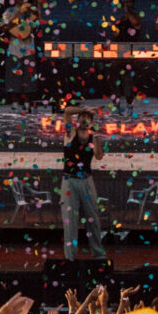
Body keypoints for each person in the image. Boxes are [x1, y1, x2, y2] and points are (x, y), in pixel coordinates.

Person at [58, 108, 106, 263]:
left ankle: (99, 255)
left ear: (91, 122)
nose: (85, 120)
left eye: (88, 118)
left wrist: (97, 135)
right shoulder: (70, 133)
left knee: (93, 218)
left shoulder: (93, 137)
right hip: (69, 180)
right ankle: (70, 258)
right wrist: (85, 109)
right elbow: (66, 112)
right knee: (70, 221)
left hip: (86, 180)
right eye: (82, 117)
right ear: (78, 120)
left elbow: (99, 156)